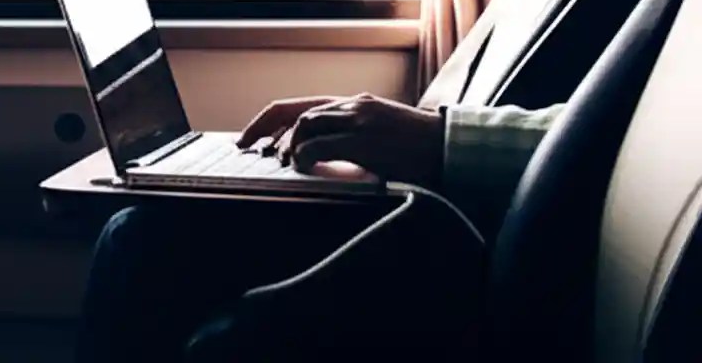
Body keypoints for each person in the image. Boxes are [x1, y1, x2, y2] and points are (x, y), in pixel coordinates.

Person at [74, 93, 565, 362]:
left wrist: (441, 139)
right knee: (140, 231)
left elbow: (617, 138)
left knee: (142, 244)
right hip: (467, 201)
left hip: (477, 242)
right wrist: (421, 125)